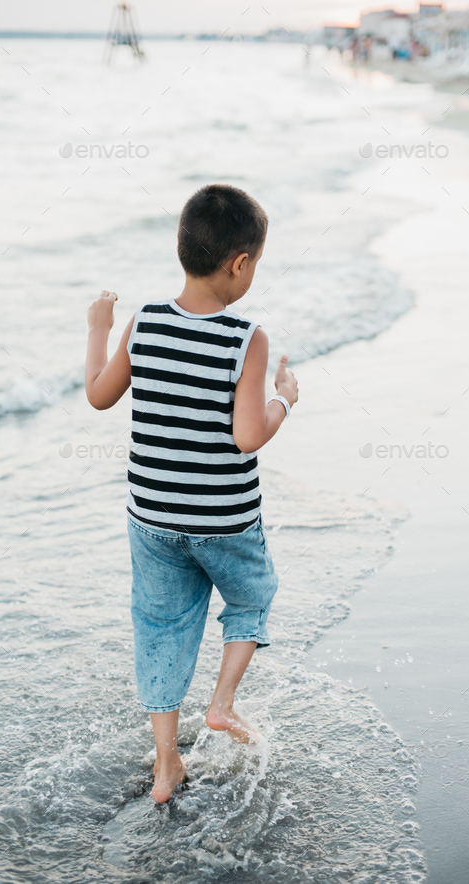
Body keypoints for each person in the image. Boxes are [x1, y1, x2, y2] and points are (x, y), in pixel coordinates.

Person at [84, 184, 299, 804]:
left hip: (152, 516)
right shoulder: (246, 338)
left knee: (161, 625)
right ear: (240, 264)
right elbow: (248, 437)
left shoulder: (145, 319)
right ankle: (223, 702)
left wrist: (99, 328)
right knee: (252, 598)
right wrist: (284, 395)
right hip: (226, 519)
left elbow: (100, 394)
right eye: (255, 262)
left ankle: (165, 765)